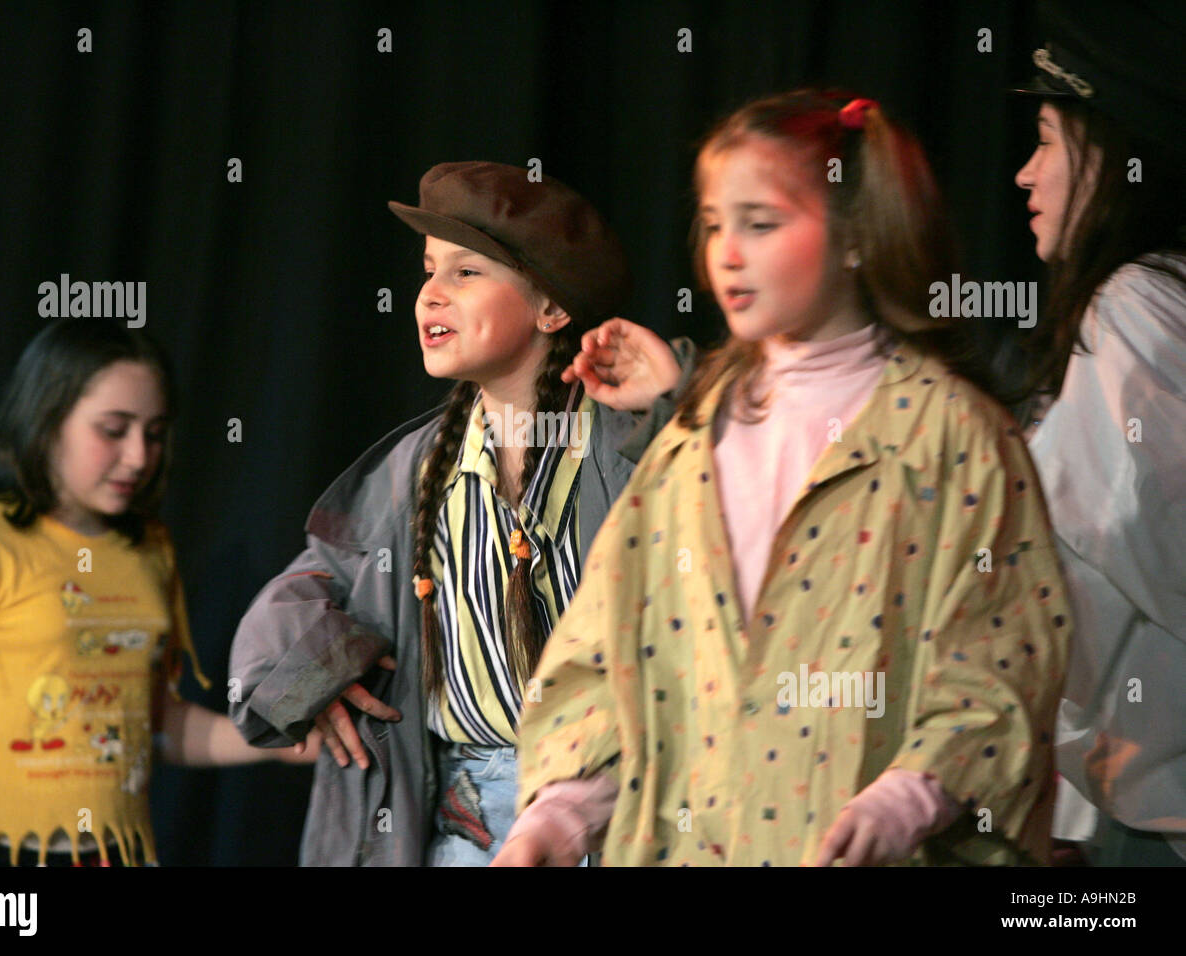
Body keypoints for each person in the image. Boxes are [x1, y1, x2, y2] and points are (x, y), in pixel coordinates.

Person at [496, 90, 1072, 867]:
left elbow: (1003, 652)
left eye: (761, 223)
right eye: (712, 224)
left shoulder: (950, 438)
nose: (727, 252)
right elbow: (611, 655)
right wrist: (555, 822)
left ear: (856, 237)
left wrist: (908, 796)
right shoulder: (692, 441)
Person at [228, 161, 696, 865]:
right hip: (466, 817)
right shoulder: (416, 471)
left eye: (466, 273)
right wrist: (317, 675)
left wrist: (674, 402)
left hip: (618, 806)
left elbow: (738, 517)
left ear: (550, 308)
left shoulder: (627, 445)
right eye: (428, 271)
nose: (430, 296)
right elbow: (309, 588)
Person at [0, 318, 317, 867]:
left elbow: (154, 723)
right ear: (47, 420)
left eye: (154, 433)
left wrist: (277, 741)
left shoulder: (149, 550)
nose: (139, 456)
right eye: (114, 430)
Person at [1011, 0, 1186, 866]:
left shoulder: (1135, 313)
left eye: (1047, 138)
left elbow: (1090, 554)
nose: (1024, 174)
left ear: (1114, 158)